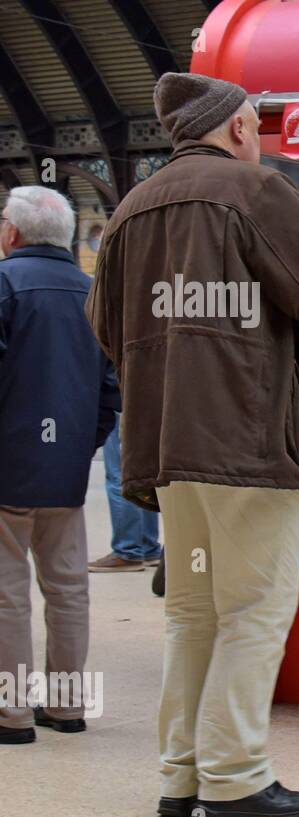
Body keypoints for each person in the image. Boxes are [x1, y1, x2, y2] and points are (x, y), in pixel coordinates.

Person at [87, 72, 299, 817]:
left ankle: (180, 775)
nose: (262, 138)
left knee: (193, 612)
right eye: (258, 125)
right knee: (256, 611)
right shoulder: (254, 190)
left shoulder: (130, 209)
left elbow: (102, 324)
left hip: (169, 443)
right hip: (251, 436)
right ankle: (236, 778)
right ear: (238, 127)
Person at [0, 186, 118, 744]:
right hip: (66, 470)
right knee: (69, 589)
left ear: (13, 232)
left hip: (7, 467)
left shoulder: (3, 285)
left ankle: (12, 716)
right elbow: (110, 390)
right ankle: (69, 708)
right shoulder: (94, 294)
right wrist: (81, 445)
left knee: (7, 593)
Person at [89, 414, 163, 572]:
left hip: (121, 399)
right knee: (143, 474)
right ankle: (147, 547)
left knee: (119, 474)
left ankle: (127, 549)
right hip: (148, 401)